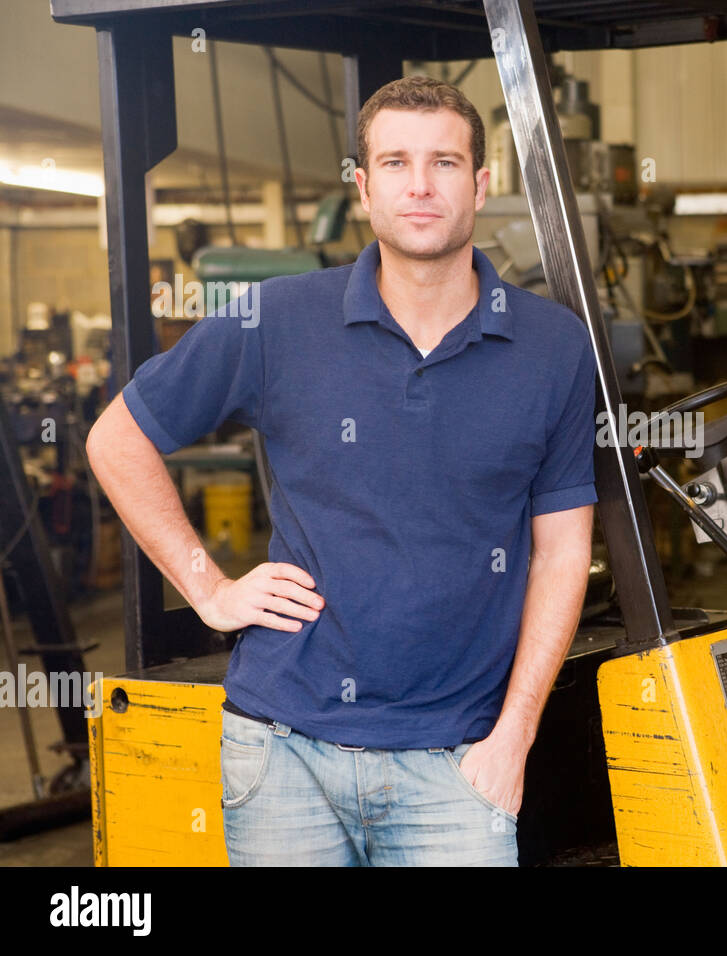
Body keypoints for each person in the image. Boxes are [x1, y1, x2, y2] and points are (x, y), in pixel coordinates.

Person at [85, 75, 598, 866]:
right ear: (362, 186)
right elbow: (115, 440)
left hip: (457, 766)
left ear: (483, 184)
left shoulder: (553, 348)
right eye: (394, 162)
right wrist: (210, 590)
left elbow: (563, 552)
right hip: (283, 756)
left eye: (445, 163)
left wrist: (515, 738)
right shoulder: (276, 321)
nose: (420, 185)